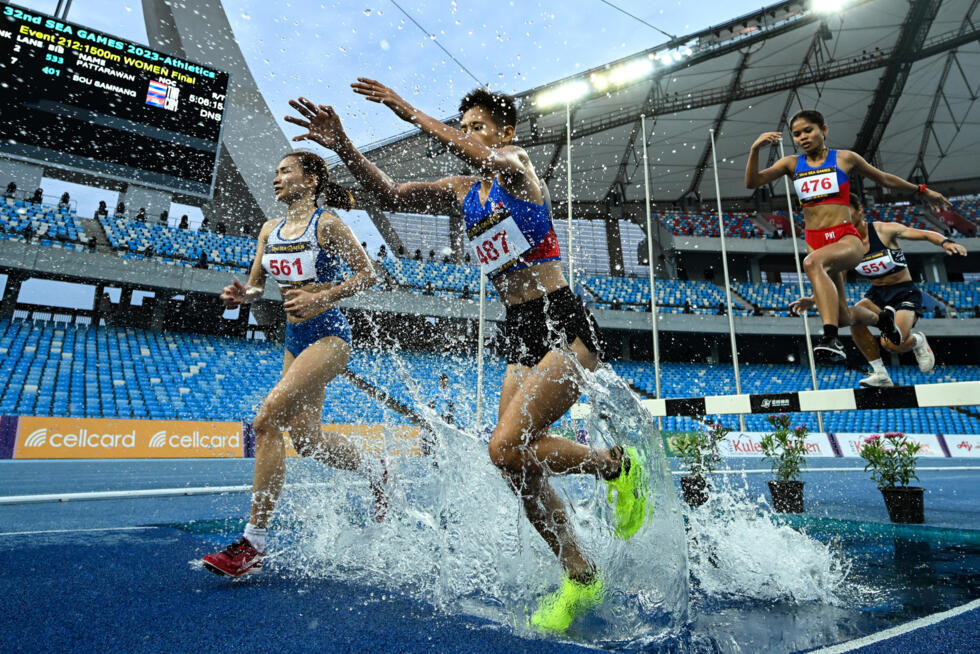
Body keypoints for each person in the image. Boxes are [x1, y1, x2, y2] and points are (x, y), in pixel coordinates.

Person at [285, 86, 649, 632]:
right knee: (512, 464)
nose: (468, 132)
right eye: (465, 123)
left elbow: (485, 155)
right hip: (520, 329)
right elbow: (389, 193)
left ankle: (618, 467)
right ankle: (579, 571)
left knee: (504, 446)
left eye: (477, 125)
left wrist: (409, 111)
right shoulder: (462, 191)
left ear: (505, 134)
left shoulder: (520, 169)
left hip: (562, 321)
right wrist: (344, 147)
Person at [201, 150, 388, 578]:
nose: (277, 178)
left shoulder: (328, 224)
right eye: (276, 171)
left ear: (313, 177)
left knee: (266, 421)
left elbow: (368, 275)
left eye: (286, 170)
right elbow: (257, 285)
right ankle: (375, 469)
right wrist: (242, 295)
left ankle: (252, 544)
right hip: (294, 337)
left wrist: (321, 296)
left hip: (329, 336)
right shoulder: (270, 229)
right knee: (306, 440)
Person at [746, 109, 951, 363]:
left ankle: (830, 338)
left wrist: (921, 190)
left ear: (824, 129)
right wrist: (755, 149)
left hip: (845, 239)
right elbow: (753, 182)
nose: (803, 138)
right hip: (816, 241)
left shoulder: (844, 158)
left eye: (808, 130)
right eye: (797, 134)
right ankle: (882, 319)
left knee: (812, 263)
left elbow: (884, 178)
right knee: (843, 316)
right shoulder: (791, 163)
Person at [790, 193, 966, 386]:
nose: (842, 216)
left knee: (891, 344)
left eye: (846, 210)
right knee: (851, 316)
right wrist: (815, 298)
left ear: (859, 210)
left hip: (903, 292)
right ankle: (880, 373)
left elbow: (923, 233)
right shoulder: (845, 246)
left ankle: (917, 341)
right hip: (876, 295)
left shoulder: (883, 230)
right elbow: (835, 278)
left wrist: (946, 242)